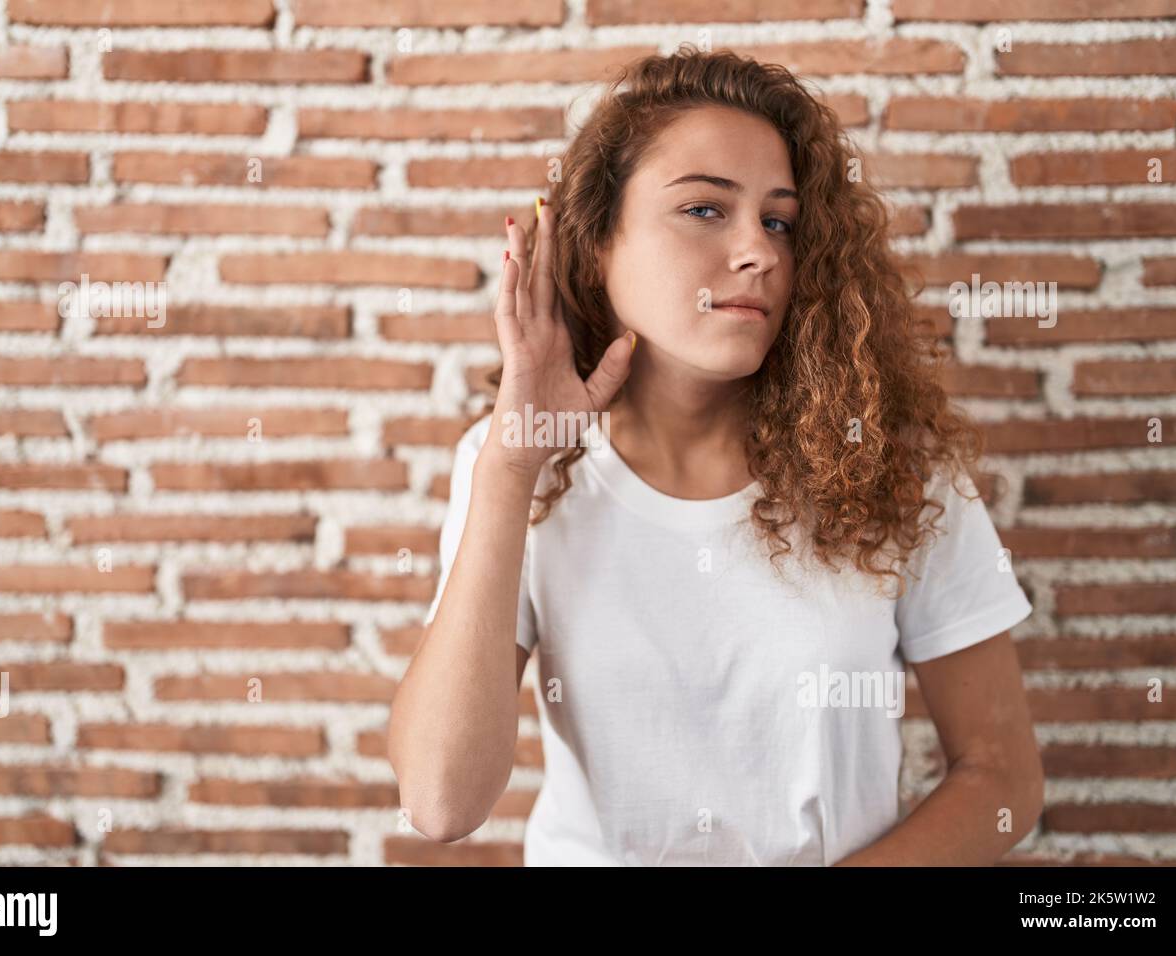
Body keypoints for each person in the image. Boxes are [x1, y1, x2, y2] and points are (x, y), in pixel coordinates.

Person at [388, 45, 1042, 866]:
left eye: (780, 221)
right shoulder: (516, 466)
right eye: (705, 210)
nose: (759, 253)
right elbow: (441, 802)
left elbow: (1002, 778)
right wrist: (512, 468)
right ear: (598, 245)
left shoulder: (888, 462)